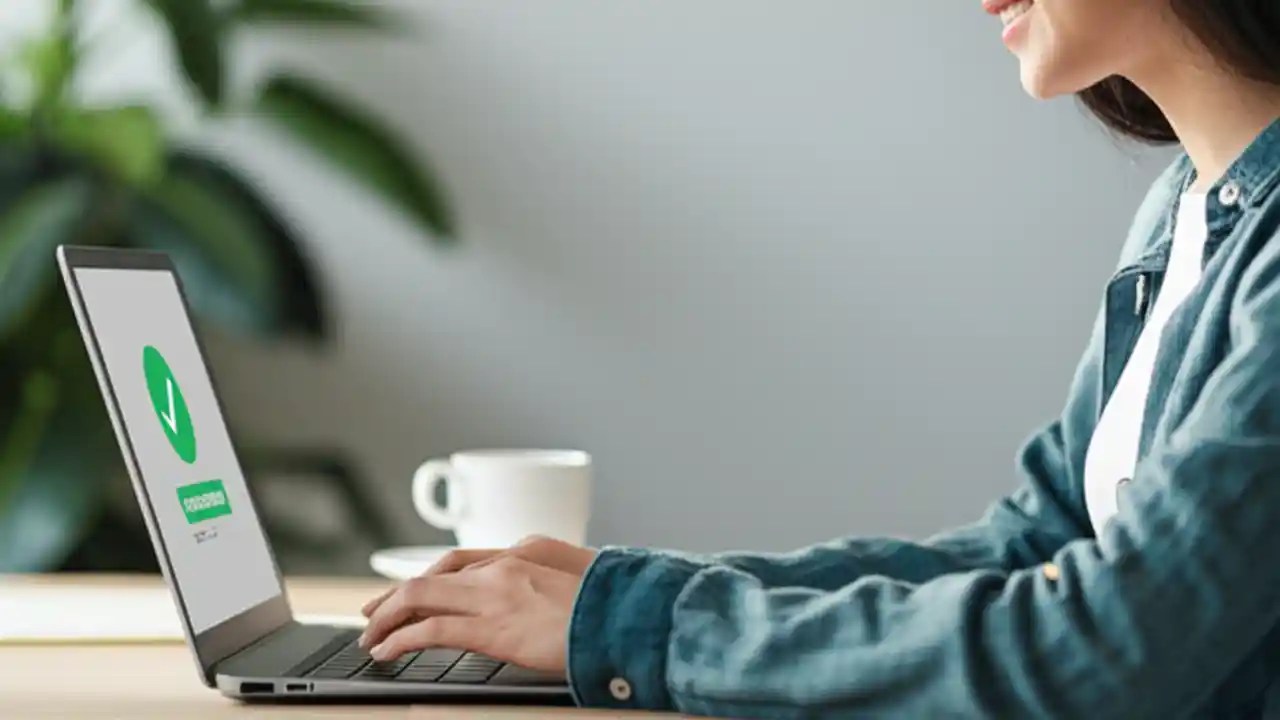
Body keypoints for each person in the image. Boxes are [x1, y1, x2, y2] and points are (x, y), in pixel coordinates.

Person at [358, 1, 1280, 716]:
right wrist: (616, 593)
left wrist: (635, 626)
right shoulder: (1184, 213)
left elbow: (1102, 648)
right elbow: (1034, 548)